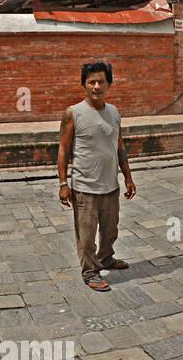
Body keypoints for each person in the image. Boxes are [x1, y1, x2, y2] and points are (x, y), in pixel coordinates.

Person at [57, 59, 137, 292]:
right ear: (84, 84)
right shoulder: (73, 113)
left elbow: (119, 146)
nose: (96, 87)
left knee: (111, 229)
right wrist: (63, 183)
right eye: (91, 82)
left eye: (101, 82)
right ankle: (90, 271)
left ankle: (106, 258)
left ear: (109, 84)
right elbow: (63, 149)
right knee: (86, 235)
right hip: (84, 186)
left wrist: (128, 177)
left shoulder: (113, 112)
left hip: (110, 185)